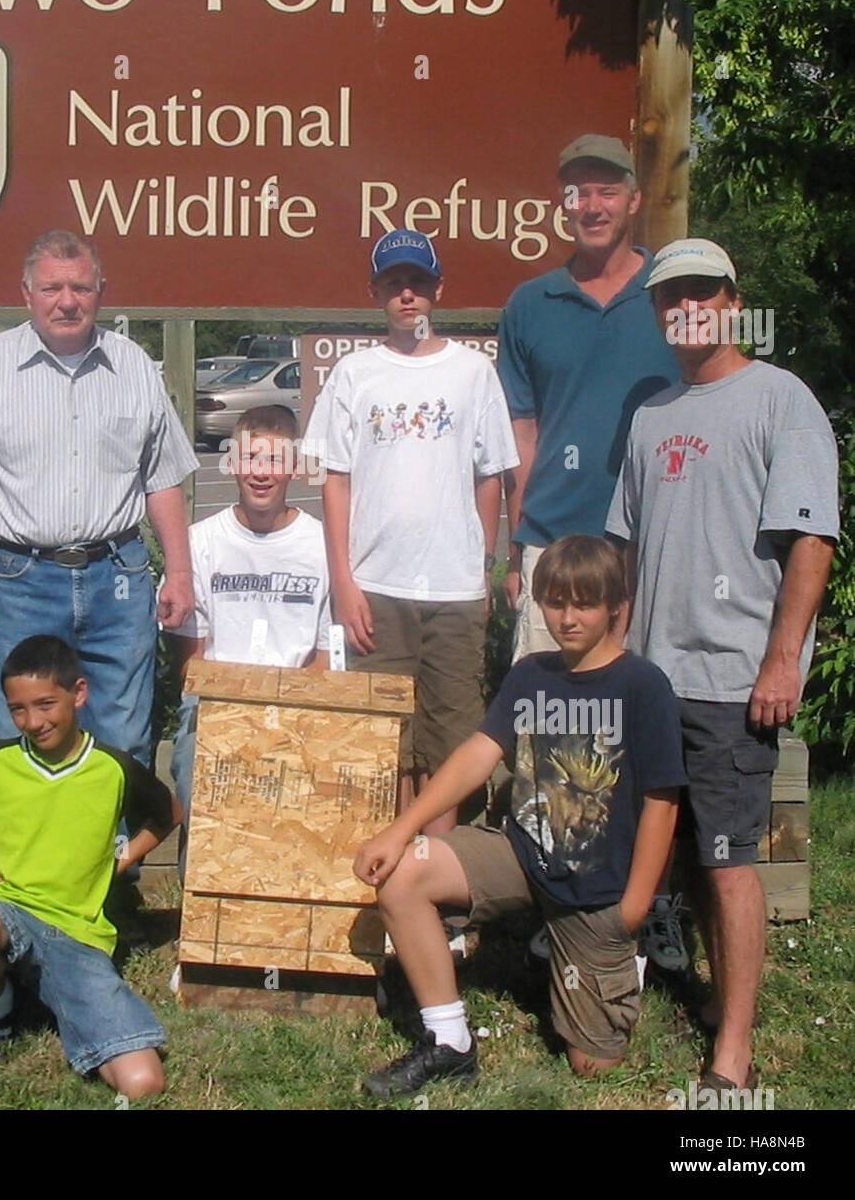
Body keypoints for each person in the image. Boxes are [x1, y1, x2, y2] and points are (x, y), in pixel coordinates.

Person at [606, 237, 838, 1096]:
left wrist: (783, 664)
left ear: (733, 302)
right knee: (692, 855)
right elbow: (625, 550)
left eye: (702, 292)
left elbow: (810, 542)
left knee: (732, 859)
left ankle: (732, 1053)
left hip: (734, 680)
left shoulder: (781, 401)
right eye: (671, 297)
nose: (686, 307)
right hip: (654, 680)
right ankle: (711, 998)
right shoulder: (652, 416)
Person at [353, 535, 685, 1097]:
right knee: (404, 872)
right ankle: (449, 1041)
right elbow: (478, 754)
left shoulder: (642, 685)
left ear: (614, 608)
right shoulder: (532, 675)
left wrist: (633, 907)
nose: (568, 617)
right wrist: (400, 829)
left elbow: (662, 802)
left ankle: (607, 961)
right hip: (522, 854)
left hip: (600, 890)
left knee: (591, 1065)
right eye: (555, 602)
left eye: (584, 604)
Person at [497, 133, 683, 972]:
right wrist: (514, 546)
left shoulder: (669, 295)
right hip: (556, 551)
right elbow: (522, 434)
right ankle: (555, 918)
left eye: (607, 189)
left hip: (648, 548)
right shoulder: (530, 304)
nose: (592, 204)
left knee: (642, 742)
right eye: (576, 191)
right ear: (561, 205)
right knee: (552, 749)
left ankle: (652, 914)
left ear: (634, 200)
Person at [0, 230, 198, 771]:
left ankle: (118, 857)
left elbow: (163, 478)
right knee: (16, 738)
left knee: (123, 736)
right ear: (26, 292)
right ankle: (25, 857)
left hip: (118, 580)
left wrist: (180, 572)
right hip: (20, 582)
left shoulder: (135, 368)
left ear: (102, 291)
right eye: (52, 288)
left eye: (80, 287)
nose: (67, 301)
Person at [306, 228, 517, 834]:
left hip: (452, 590)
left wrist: (480, 565)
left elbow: (489, 478)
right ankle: (393, 879)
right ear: (374, 292)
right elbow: (335, 480)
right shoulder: (354, 374)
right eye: (394, 283)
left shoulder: (473, 373)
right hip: (376, 586)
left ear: (437, 290)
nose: (407, 295)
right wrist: (344, 581)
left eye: (418, 283)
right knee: (386, 741)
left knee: (450, 740)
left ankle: (436, 884)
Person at [0, 635, 178, 1099]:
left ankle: (52, 996)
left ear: (79, 693)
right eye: (18, 709)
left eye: (46, 704)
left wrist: (126, 856)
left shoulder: (113, 769)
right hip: (10, 911)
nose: (33, 721)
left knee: (143, 1084)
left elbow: (169, 813)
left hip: (79, 937)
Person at [164, 404, 331, 842]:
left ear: (294, 468)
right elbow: (191, 663)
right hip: (217, 705)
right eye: (251, 459)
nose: (262, 473)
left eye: (275, 460)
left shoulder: (323, 547)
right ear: (233, 466)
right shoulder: (198, 544)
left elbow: (326, 660)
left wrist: (279, 716)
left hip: (297, 707)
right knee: (207, 820)